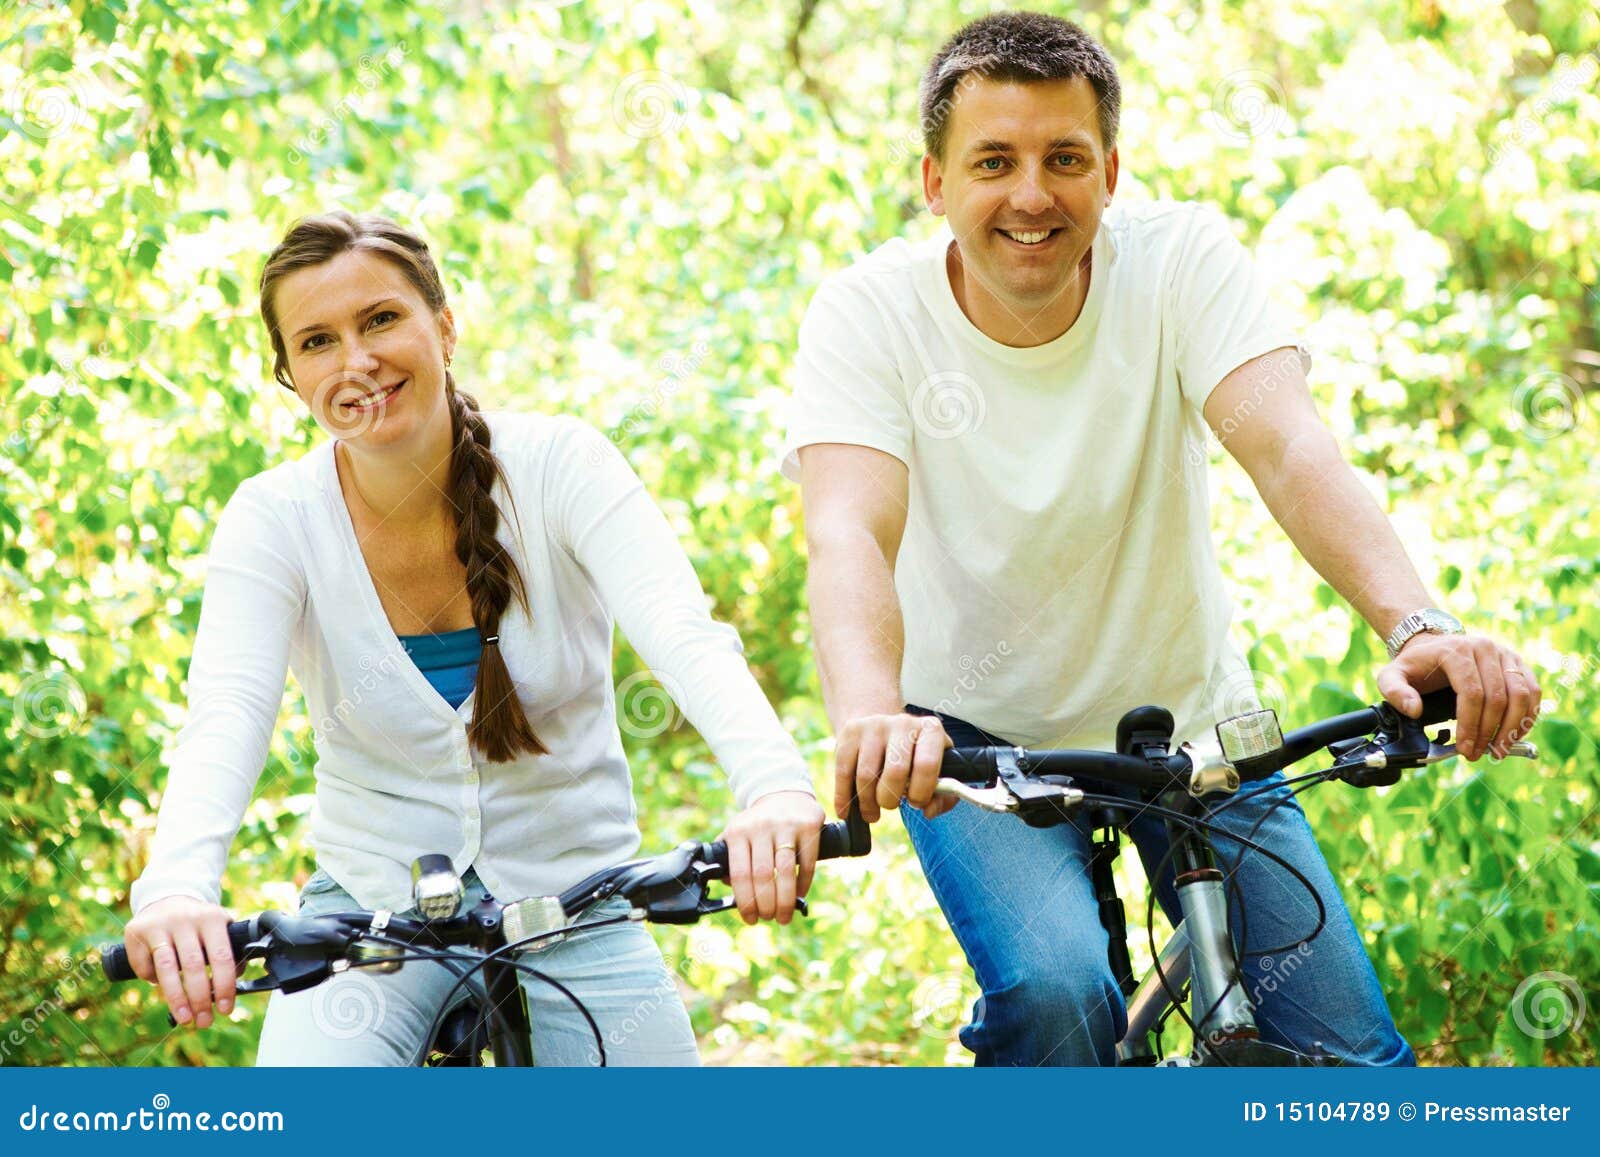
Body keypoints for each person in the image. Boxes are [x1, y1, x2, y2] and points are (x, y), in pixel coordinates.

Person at [785, 11, 1541, 1066]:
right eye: (992, 161)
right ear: (934, 182)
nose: (1032, 195)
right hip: (970, 746)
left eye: (1065, 159)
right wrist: (869, 713)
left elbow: (1287, 448)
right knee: (1056, 995)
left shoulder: (1179, 263)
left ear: (1110, 172)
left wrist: (1414, 620)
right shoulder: (867, 316)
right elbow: (848, 532)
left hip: (1192, 729)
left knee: (1354, 1067)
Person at [121, 210, 824, 1066]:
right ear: (290, 377)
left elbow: (683, 634)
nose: (357, 360)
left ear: (444, 326)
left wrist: (775, 787)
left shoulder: (564, 464)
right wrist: (176, 889)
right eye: (317, 341)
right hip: (372, 912)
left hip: (579, 898)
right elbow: (227, 710)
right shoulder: (276, 520)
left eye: (381, 319)